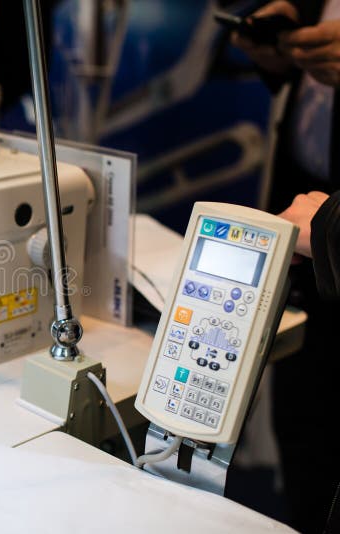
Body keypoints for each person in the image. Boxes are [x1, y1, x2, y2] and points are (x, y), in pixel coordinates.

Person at [233, 1, 340, 531]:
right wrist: (279, 52)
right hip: (305, 228)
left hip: (329, 228)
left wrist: (335, 226)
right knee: (301, 418)